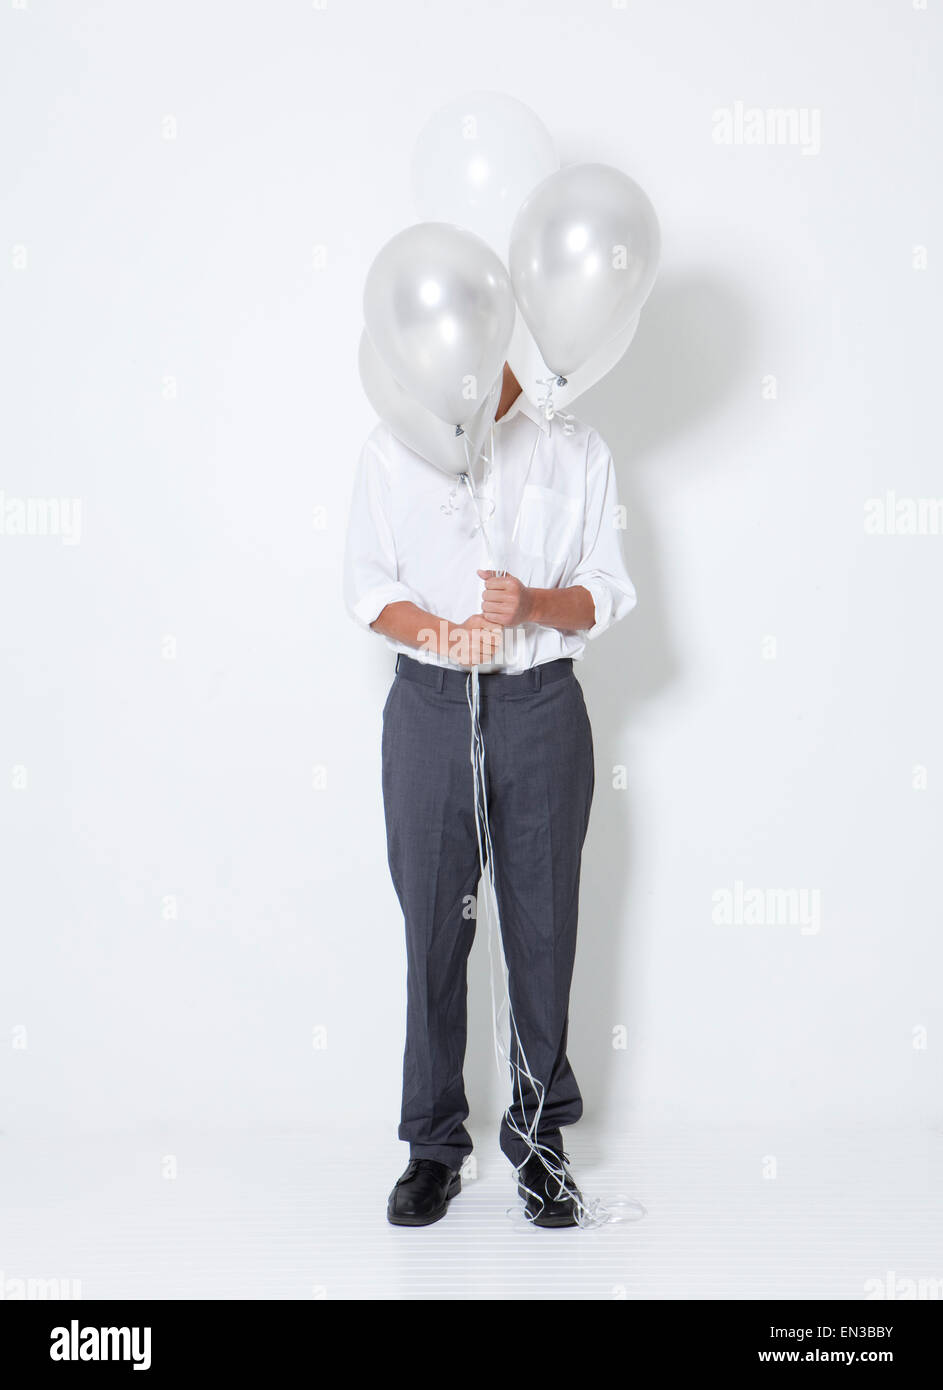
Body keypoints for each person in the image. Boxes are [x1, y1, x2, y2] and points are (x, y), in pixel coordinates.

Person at [343, 363, 636, 1227]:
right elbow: (368, 584)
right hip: (430, 705)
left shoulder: (574, 449)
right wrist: (444, 635)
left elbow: (606, 591)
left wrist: (530, 603)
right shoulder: (391, 448)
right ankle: (431, 1147)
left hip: (541, 706)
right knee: (433, 926)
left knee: (543, 930)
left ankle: (541, 1145)